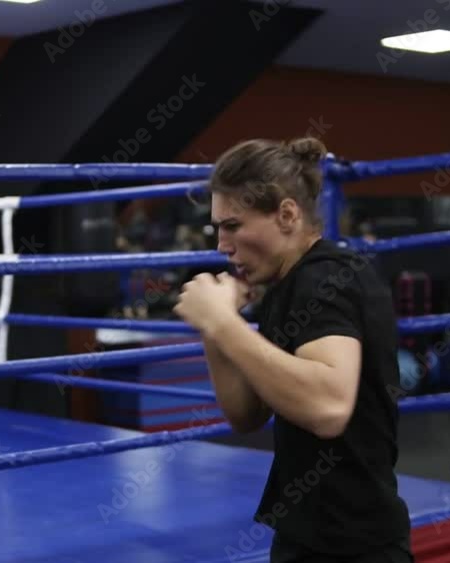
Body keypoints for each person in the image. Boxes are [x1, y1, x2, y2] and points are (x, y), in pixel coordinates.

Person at [173, 137, 413, 562]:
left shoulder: (324, 280)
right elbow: (247, 413)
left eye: (233, 225)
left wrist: (223, 323)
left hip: (354, 544)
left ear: (286, 214)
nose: (221, 245)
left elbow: (328, 407)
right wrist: (215, 333)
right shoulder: (285, 287)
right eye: (217, 228)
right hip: (308, 532)